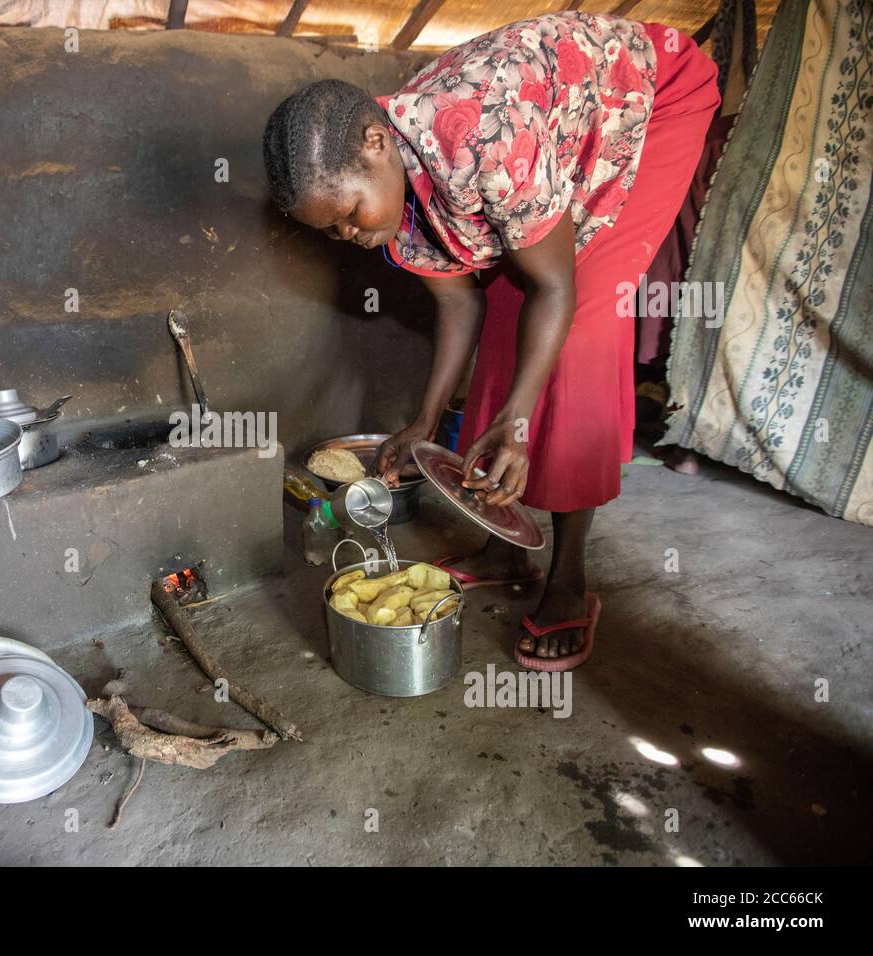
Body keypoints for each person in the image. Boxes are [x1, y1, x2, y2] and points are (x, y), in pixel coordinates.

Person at [263, 12, 720, 669]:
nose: (348, 238)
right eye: (329, 232)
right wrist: (423, 421)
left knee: (582, 316)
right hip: (553, 128)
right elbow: (460, 299)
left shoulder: (483, 138)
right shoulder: (395, 180)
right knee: (511, 296)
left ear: (374, 144)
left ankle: (567, 577)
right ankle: (505, 545)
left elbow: (556, 290)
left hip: (649, 101)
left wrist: (519, 421)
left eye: (348, 216)